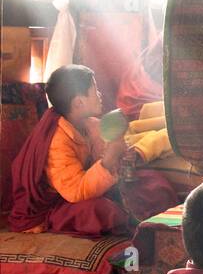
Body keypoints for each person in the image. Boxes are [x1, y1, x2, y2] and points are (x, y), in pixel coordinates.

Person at [8, 65, 176, 236]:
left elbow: (109, 151)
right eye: (95, 92)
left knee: (154, 182)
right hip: (58, 202)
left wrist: (121, 154)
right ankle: (135, 224)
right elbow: (76, 191)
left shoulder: (88, 123)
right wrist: (108, 160)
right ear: (79, 102)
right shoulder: (56, 141)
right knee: (100, 211)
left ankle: (139, 219)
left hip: (92, 188)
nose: (100, 96)